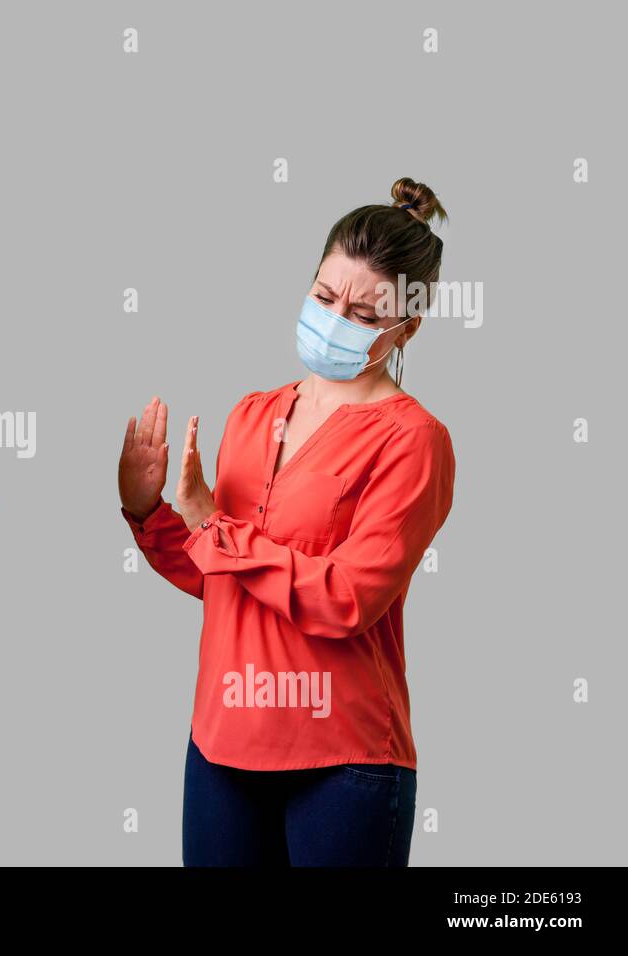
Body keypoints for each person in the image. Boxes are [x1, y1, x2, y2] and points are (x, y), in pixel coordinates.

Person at [118, 178, 456, 866]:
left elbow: (348, 599)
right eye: (326, 297)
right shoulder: (251, 414)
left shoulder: (413, 441)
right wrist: (147, 509)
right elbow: (220, 577)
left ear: (407, 326)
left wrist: (212, 524)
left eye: (363, 314)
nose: (335, 319)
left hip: (343, 761)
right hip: (220, 747)